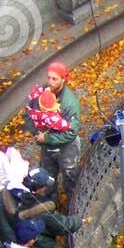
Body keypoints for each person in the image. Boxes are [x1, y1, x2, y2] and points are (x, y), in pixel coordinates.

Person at [27, 61, 81, 200]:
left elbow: (71, 132)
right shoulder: (42, 94)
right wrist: (36, 132)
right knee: (48, 174)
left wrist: (47, 139)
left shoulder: (70, 103)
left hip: (67, 146)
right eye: (49, 78)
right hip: (47, 145)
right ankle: (51, 202)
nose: (50, 82)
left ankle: (73, 202)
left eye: (54, 79)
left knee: (70, 174)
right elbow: (28, 113)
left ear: (63, 79)